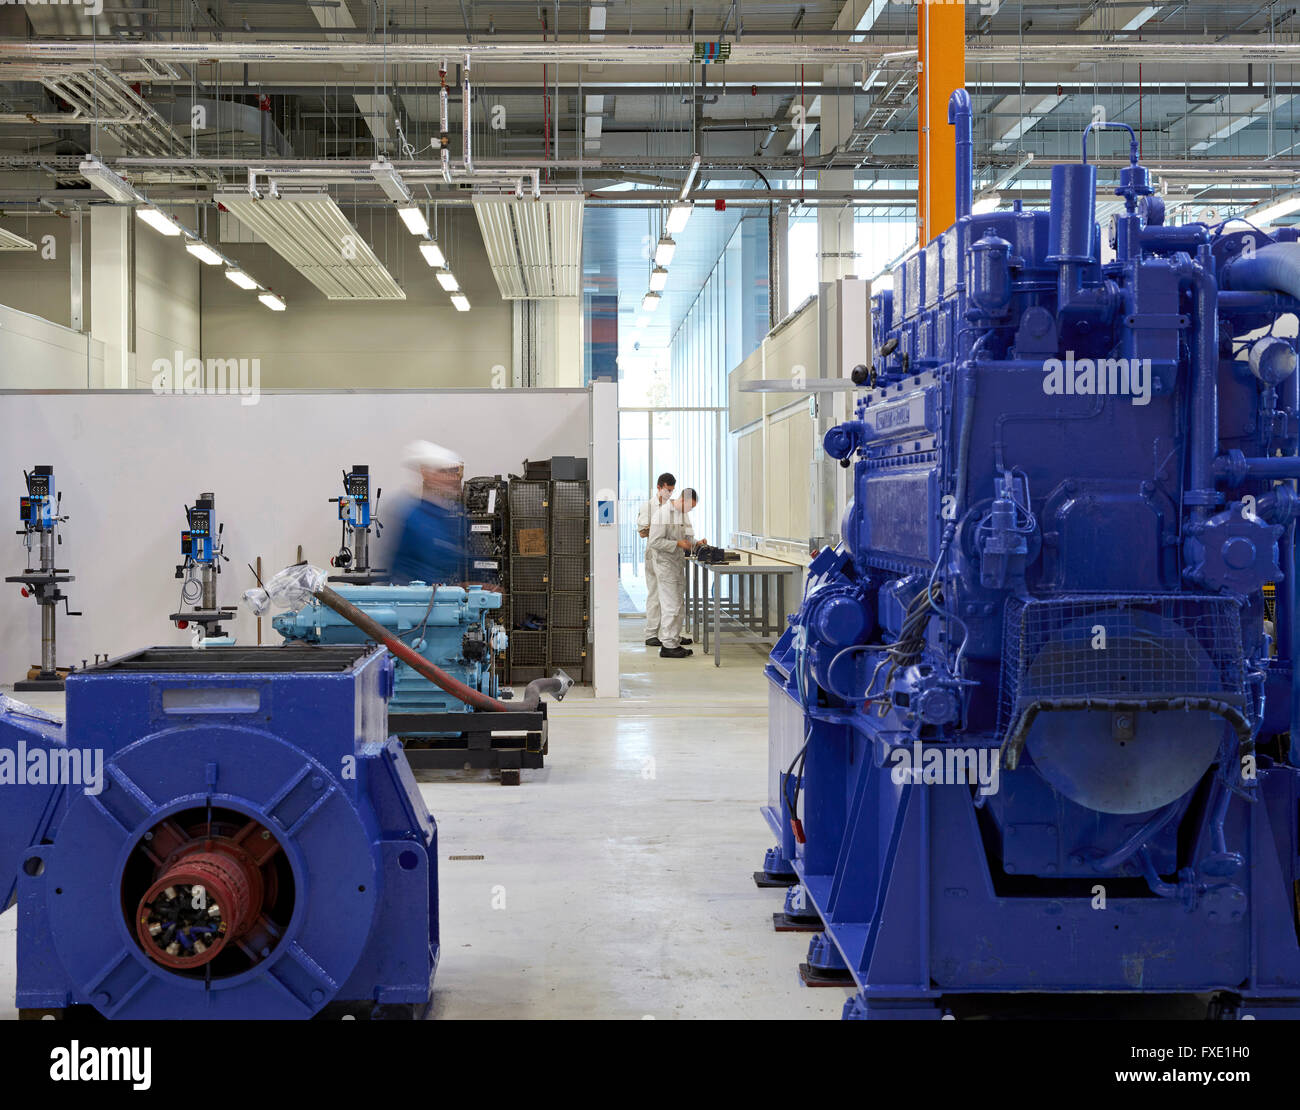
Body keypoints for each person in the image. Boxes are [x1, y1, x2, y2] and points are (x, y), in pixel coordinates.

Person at [390, 440, 468, 586]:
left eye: (453, 473)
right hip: (417, 600)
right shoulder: (413, 518)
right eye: (444, 472)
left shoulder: (456, 517)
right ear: (428, 475)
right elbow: (401, 569)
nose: (451, 478)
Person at [646, 487, 705, 659]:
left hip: (677, 564)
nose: (690, 511)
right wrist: (678, 544)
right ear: (683, 500)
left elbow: (688, 538)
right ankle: (668, 645)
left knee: (679, 604)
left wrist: (697, 543)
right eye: (690, 507)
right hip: (665, 565)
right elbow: (654, 542)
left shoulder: (683, 515)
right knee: (671, 605)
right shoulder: (662, 515)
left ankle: (674, 639)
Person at [638, 472, 689, 648]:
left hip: (669, 556)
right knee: (655, 595)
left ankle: (672, 635)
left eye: (672, 490)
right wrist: (659, 527)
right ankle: (651, 633)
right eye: (667, 490)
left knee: (671, 598)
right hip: (654, 556)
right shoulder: (648, 507)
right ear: (659, 488)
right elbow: (643, 531)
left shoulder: (672, 507)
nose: (669, 493)